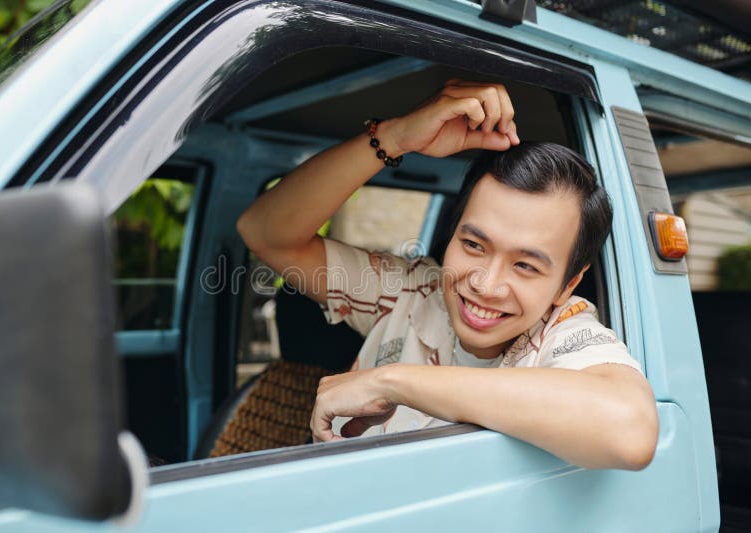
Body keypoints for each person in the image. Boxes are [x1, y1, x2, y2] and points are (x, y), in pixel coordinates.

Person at [236, 80, 658, 470]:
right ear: (451, 236)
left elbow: (631, 432)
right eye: (474, 246)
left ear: (567, 285)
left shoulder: (565, 332)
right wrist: (394, 137)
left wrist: (392, 381)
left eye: (526, 266)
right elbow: (266, 234)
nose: (484, 285)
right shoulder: (411, 290)